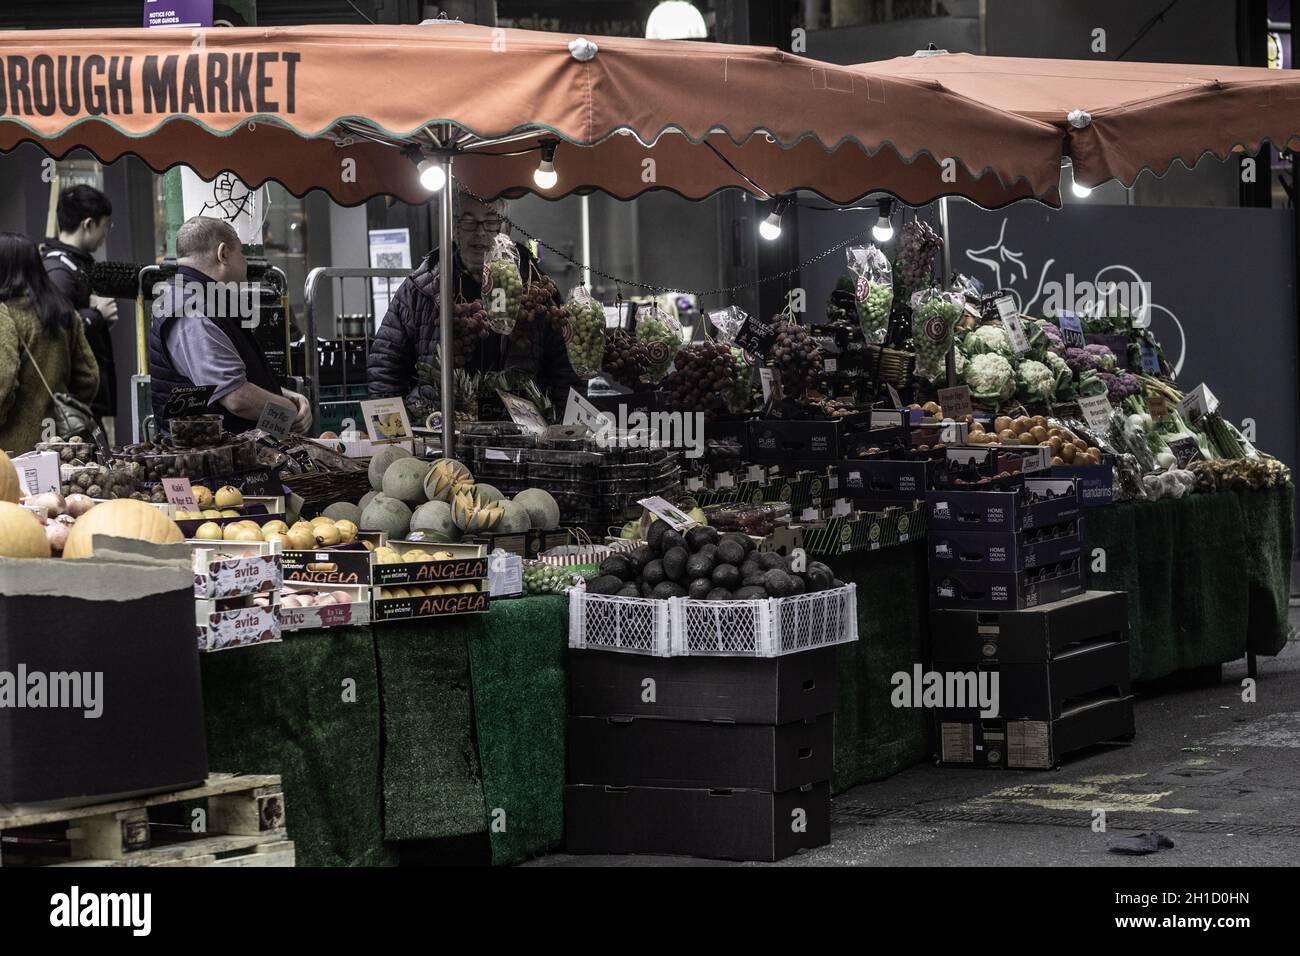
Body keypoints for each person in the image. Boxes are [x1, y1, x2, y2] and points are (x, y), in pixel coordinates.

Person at [367, 193, 579, 408]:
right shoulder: (421, 288)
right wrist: (392, 431)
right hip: (439, 425)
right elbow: (385, 366)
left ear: (506, 229)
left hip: (518, 432)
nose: (480, 232)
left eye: (491, 221)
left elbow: (566, 369)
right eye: (468, 222)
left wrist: (559, 430)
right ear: (454, 229)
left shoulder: (536, 291)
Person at [148, 216, 311, 434]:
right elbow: (236, 398)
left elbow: (225, 380)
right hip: (208, 461)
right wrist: (290, 413)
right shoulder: (192, 312)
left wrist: (284, 396)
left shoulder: (200, 300)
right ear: (223, 253)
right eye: (241, 253)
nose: (245, 261)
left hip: (220, 455)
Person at [0, 231, 99, 454]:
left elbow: (2, 383)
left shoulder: (4, 313)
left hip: (14, 452)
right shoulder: (63, 311)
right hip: (62, 444)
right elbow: (89, 378)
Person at [43, 184, 118, 427]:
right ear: (88, 224)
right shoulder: (59, 271)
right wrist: (97, 315)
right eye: (105, 227)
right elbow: (56, 333)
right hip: (75, 402)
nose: (106, 235)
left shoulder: (73, 265)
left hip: (84, 398)